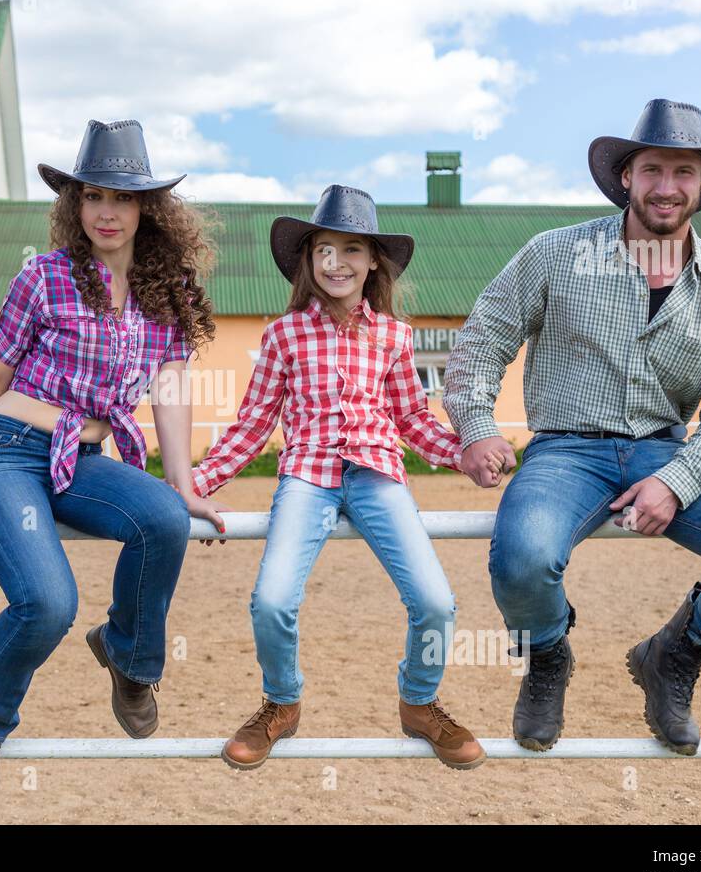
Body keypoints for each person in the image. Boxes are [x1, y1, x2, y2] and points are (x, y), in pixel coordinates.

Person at [443, 99, 701, 755]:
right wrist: (475, 423)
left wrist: (675, 482)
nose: (665, 187)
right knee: (523, 557)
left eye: (682, 172)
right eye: (652, 169)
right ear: (626, 176)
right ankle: (549, 655)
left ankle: (675, 654)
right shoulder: (554, 255)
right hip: (565, 453)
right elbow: (482, 342)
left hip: (672, 458)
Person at [0, 120, 225, 794]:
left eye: (121, 198)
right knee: (48, 601)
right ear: (73, 207)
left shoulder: (162, 296)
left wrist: (184, 483)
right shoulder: (43, 276)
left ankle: (129, 657)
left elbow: (170, 393)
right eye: (91, 197)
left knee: (165, 520)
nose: (106, 212)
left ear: (148, 209)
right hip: (3, 454)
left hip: (79, 460)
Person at [192, 184, 494, 771]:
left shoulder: (395, 336)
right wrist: (200, 481)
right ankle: (281, 703)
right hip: (308, 473)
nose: (336, 262)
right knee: (271, 599)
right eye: (323, 249)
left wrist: (464, 454)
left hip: (379, 474)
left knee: (435, 600)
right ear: (308, 260)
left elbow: (410, 417)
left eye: (352, 249)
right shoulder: (283, 335)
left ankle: (420, 703)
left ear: (373, 260)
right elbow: (254, 423)